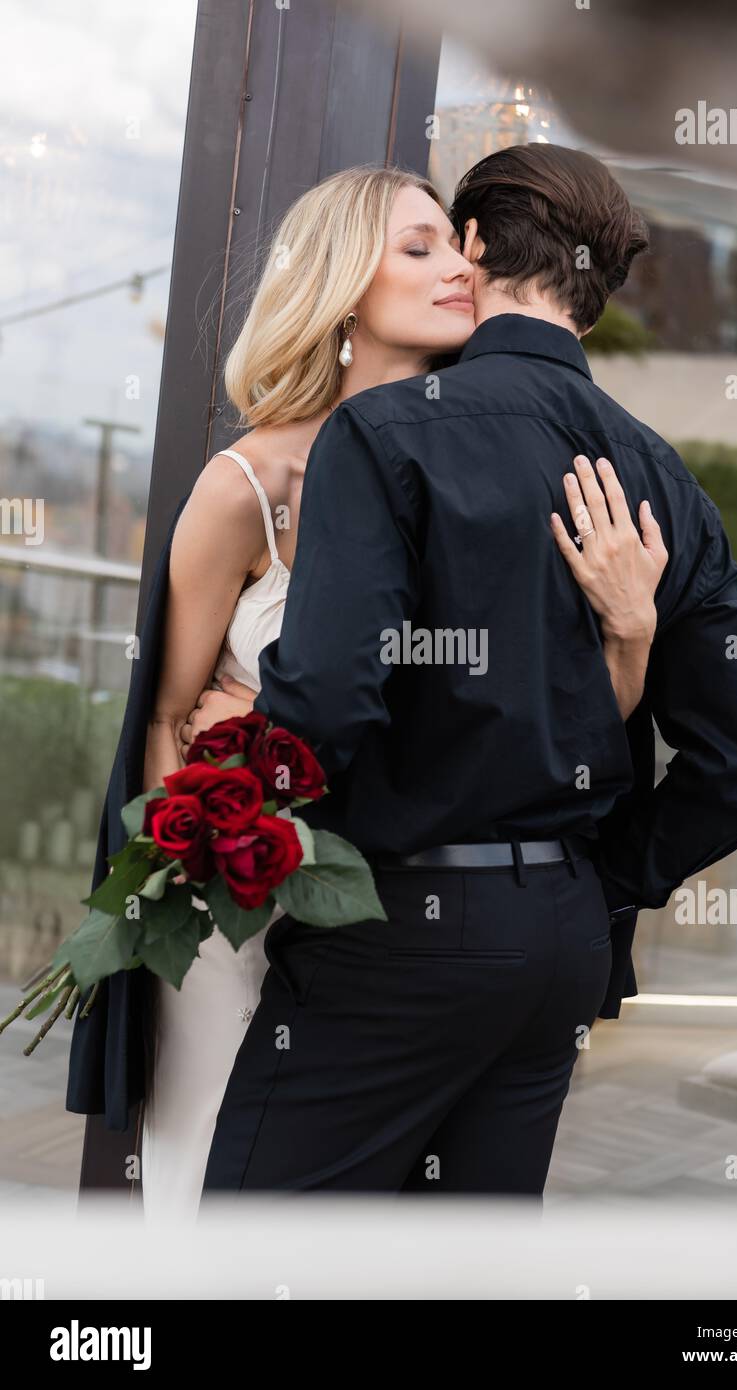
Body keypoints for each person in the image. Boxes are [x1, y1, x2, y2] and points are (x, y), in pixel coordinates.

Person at [64, 163, 662, 1217]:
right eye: (420, 247)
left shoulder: (481, 479)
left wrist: (634, 629)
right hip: (242, 915)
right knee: (220, 1203)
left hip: (398, 939)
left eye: (458, 246)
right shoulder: (245, 484)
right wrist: (213, 878)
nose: (460, 269)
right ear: (343, 287)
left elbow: (538, 719)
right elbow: (164, 713)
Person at [198, 145, 737, 1200]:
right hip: (560, 945)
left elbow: (330, 702)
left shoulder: (383, 435)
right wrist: (593, 881)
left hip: (398, 937)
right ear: (596, 295)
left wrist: (246, 733)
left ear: (475, 250)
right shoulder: (666, 479)